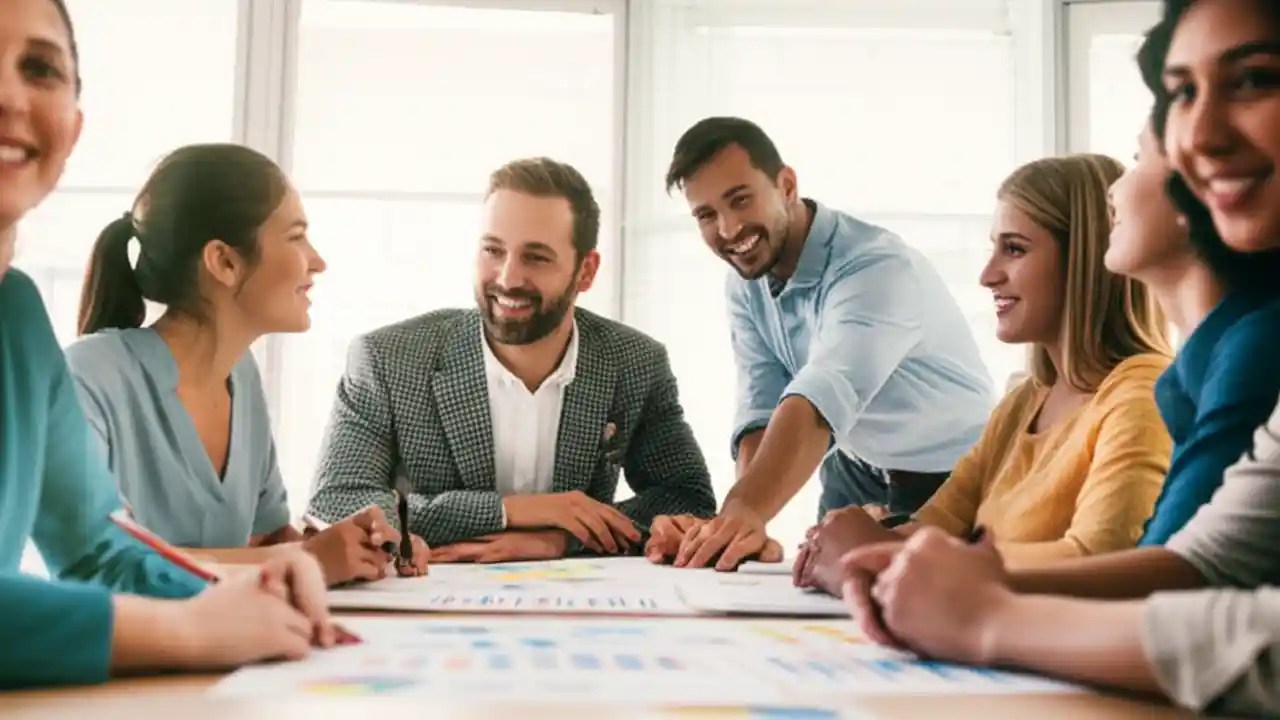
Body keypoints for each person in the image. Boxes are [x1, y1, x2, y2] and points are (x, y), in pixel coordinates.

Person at [840, 2, 1280, 714]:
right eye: (1183, 96)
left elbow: (1190, 596)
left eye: (1256, 78)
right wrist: (914, 569)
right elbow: (1207, 564)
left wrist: (986, 613)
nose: (1197, 136)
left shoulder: (1230, 356)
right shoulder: (1061, 393)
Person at [0, 0, 335, 689]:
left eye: (38, 69)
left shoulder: (19, 317)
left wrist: (249, 591)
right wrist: (189, 628)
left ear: (74, 125)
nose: (8, 95)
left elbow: (101, 551)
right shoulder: (95, 366)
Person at [791, 154, 1174, 594]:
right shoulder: (1025, 401)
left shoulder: (1143, 395)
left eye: (1014, 249)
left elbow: (1098, 559)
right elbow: (935, 528)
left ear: (1083, 260)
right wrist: (838, 542)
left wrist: (868, 556)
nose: (987, 275)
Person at [306, 157, 717, 563]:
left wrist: (560, 539)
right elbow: (337, 501)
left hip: (574, 607)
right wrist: (513, 510)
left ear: (586, 272)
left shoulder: (634, 363)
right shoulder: (387, 360)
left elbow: (687, 499)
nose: (507, 278)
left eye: (536, 257)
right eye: (493, 250)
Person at [66, 143, 428, 586]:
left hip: (230, 647)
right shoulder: (88, 376)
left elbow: (266, 542)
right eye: (296, 236)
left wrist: (353, 547)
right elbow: (96, 567)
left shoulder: (241, 375)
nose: (317, 261)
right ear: (225, 261)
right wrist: (306, 560)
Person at [648, 116, 996, 571]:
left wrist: (744, 511)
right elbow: (762, 404)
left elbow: (824, 392)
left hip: (950, 474)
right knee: (819, 601)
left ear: (786, 185)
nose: (729, 229)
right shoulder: (746, 280)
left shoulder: (875, 266)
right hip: (853, 466)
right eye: (707, 215)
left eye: (740, 200)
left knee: (911, 616)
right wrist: (743, 523)